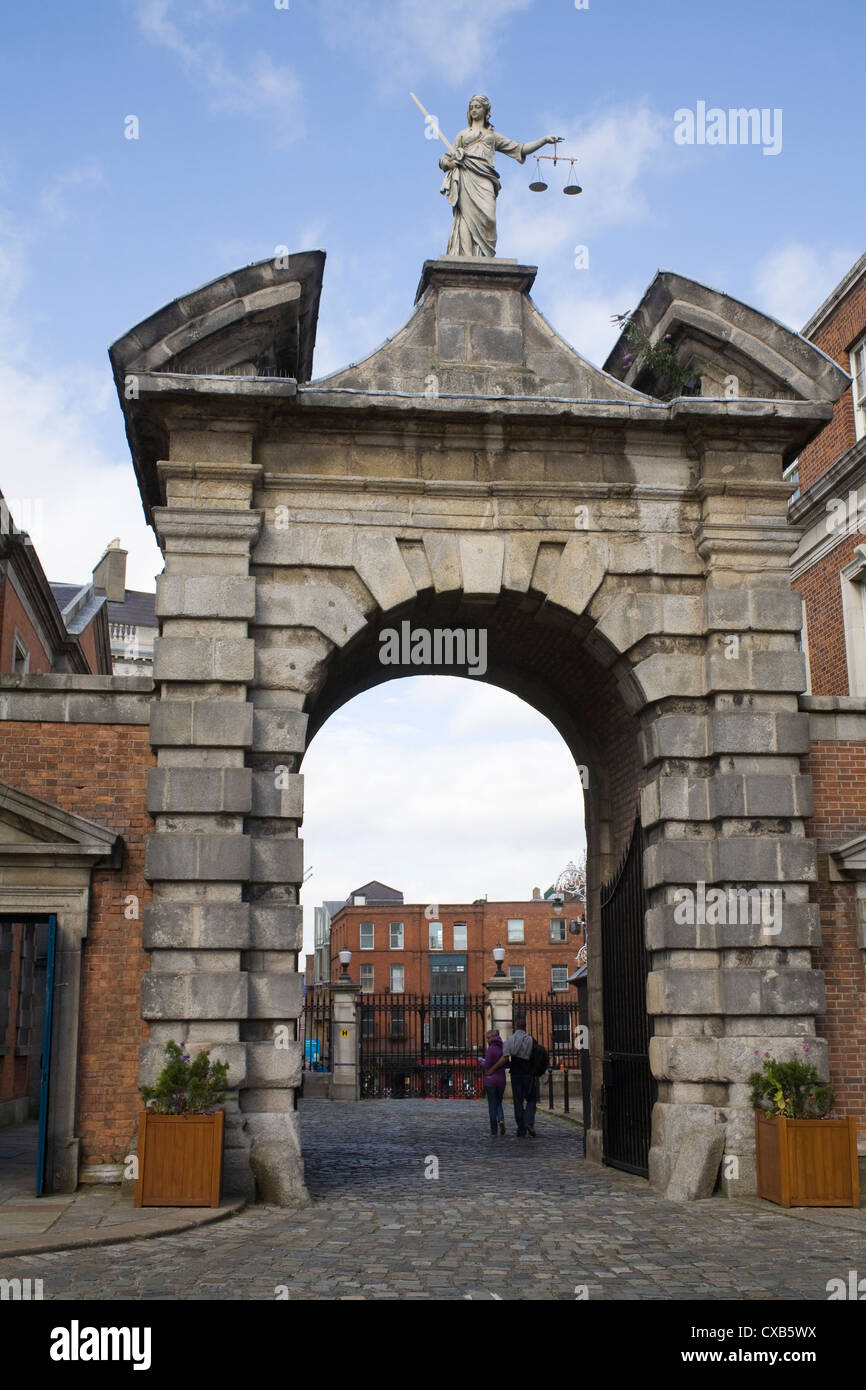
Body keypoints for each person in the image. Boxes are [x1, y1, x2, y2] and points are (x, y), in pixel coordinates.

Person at [439, 94, 562, 258]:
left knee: (489, 218)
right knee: (465, 217)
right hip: (466, 176)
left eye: (478, 107)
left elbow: (520, 148)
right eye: (471, 107)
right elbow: (444, 160)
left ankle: (484, 256)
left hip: (485, 179)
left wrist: (544, 140)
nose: (474, 110)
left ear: (485, 110)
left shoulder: (492, 136)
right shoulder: (462, 135)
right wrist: (451, 164)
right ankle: (466, 257)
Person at [492, 1015, 537, 1137]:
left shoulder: (510, 1040)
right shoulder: (531, 1040)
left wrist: (492, 1068)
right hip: (528, 1072)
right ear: (525, 1027)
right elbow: (536, 1055)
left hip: (516, 1071)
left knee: (518, 1100)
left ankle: (521, 1128)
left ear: (515, 1027)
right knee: (532, 1098)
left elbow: (505, 1056)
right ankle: (529, 1121)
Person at [479, 1029, 507, 1136]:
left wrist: (481, 1060)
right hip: (501, 1080)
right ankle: (501, 1120)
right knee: (499, 1102)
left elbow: (487, 1066)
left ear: (492, 1037)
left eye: (487, 1038)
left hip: (490, 1081)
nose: (486, 1040)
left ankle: (494, 1130)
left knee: (492, 1105)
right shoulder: (503, 1047)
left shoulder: (490, 1049)